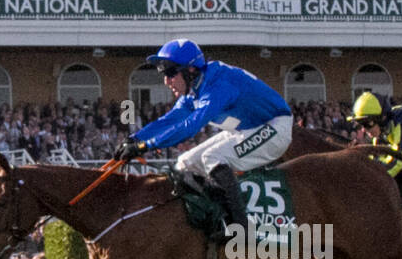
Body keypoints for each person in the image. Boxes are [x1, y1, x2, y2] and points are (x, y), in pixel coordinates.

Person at [115, 39, 293, 233]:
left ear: (190, 70)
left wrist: (144, 147)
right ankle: (213, 215)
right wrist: (135, 139)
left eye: (170, 73)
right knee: (184, 163)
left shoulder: (217, 85)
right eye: (163, 74)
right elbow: (171, 119)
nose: (166, 81)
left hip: (275, 127)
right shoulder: (196, 88)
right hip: (247, 129)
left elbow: (191, 126)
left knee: (213, 157)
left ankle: (241, 226)